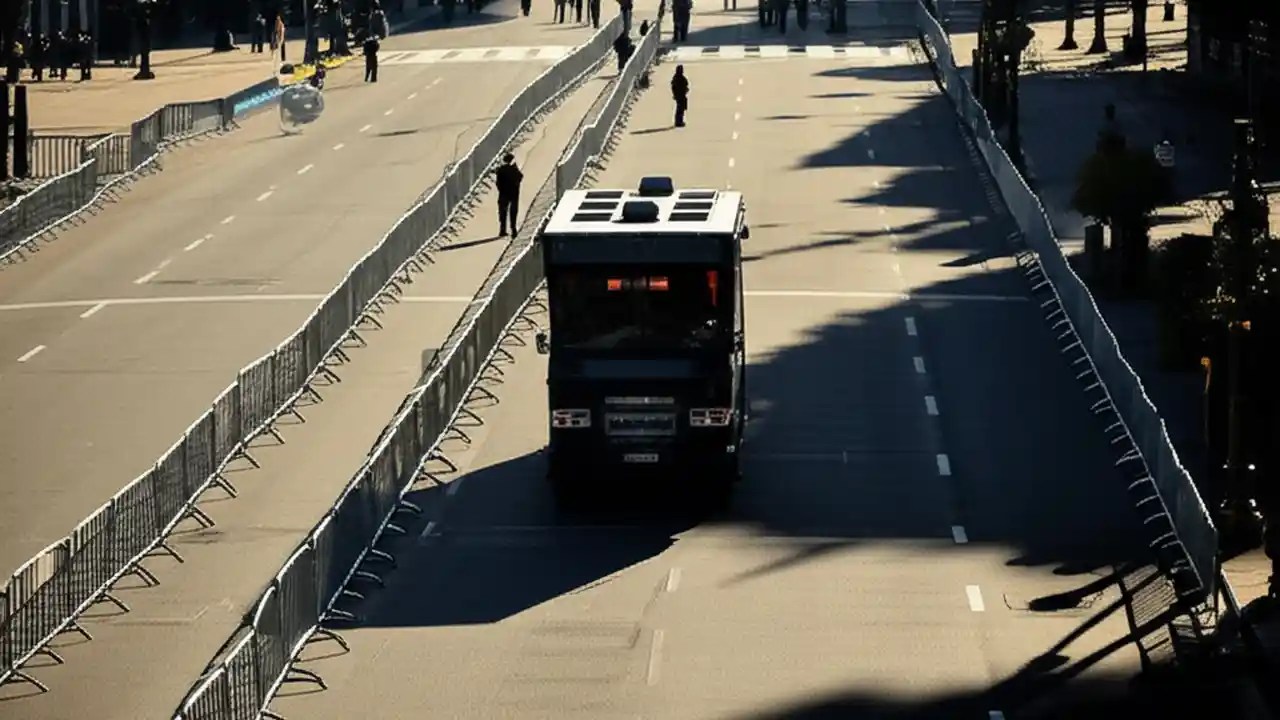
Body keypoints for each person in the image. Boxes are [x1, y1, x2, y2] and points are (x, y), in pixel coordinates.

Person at [494, 153, 524, 237]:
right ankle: (513, 229)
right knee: (513, 212)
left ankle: (502, 230)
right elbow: (520, 177)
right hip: (513, 194)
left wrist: (501, 190)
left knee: (502, 212)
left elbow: (498, 183)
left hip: (503, 194)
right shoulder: (514, 169)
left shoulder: (500, 170)